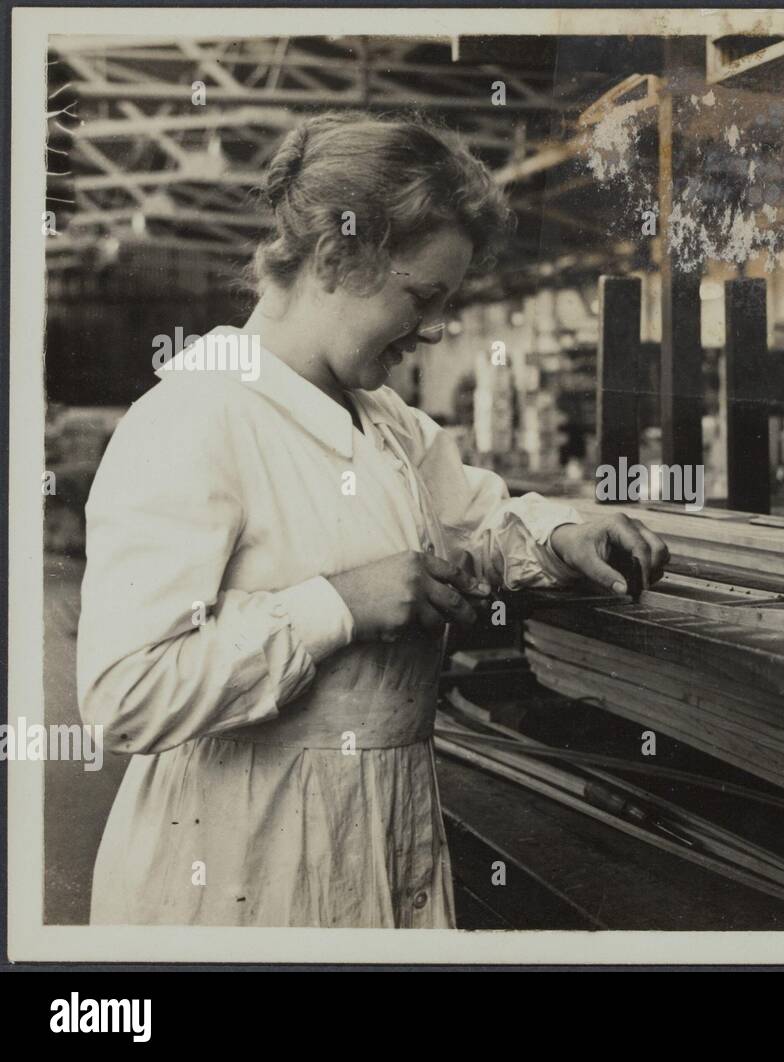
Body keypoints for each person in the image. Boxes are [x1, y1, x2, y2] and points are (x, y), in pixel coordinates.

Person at [77, 111, 669, 928]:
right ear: (335, 257)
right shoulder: (195, 416)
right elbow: (124, 694)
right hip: (240, 863)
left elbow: (476, 524)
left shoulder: (386, 421)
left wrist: (563, 537)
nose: (435, 328)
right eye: (423, 296)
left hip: (386, 830)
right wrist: (337, 605)